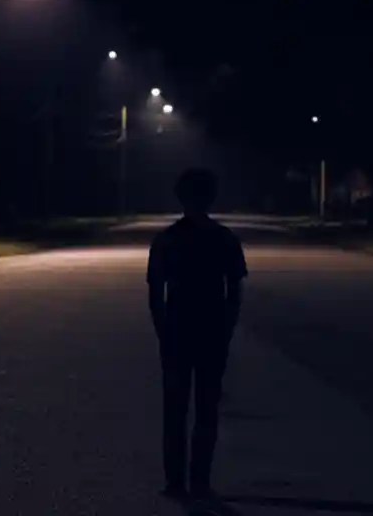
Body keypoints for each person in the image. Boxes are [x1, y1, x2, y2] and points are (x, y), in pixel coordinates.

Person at [147, 168, 248, 500]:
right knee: (206, 410)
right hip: (211, 332)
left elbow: (155, 293)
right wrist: (228, 329)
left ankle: (175, 481)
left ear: (180, 197)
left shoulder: (167, 239)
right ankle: (200, 480)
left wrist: (163, 331)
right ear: (211, 197)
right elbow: (234, 291)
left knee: (174, 410)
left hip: (177, 330)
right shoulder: (224, 238)